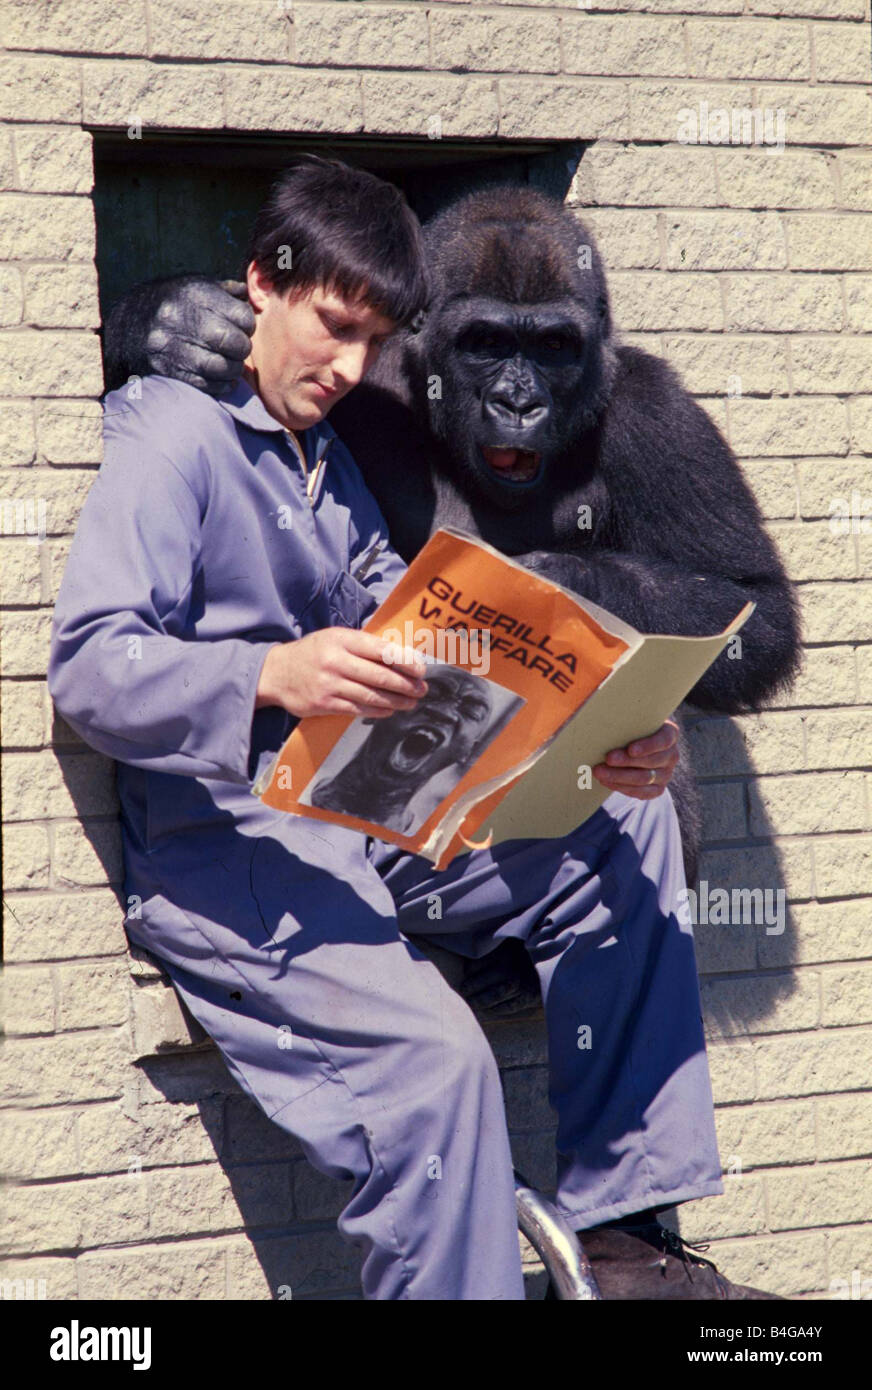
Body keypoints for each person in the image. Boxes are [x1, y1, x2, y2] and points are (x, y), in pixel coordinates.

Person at [48, 156, 776, 1301]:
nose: (343, 368)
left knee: (627, 820)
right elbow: (90, 664)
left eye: (364, 340)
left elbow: (417, 639)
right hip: (233, 837)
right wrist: (271, 670)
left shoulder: (333, 457)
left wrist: (590, 744)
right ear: (256, 289)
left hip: (361, 810)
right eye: (329, 329)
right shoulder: (173, 434)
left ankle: (633, 1240)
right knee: (442, 1067)